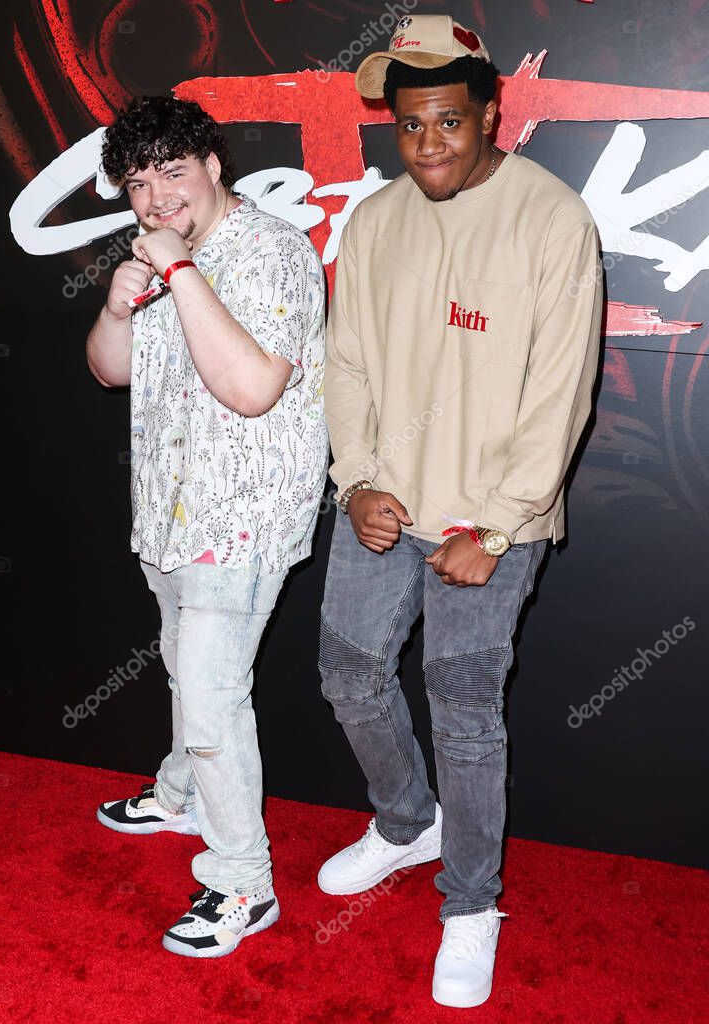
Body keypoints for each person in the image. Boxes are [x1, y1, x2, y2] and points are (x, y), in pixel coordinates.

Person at [317, 14, 602, 1008]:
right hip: (386, 501)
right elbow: (344, 363)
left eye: (448, 119)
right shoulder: (374, 222)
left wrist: (501, 519)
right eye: (410, 124)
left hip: (494, 519)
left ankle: (471, 904)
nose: (429, 142)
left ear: (489, 112)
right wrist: (355, 481)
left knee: (463, 701)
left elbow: (561, 389)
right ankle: (406, 820)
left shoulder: (552, 218)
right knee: (347, 670)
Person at [86, 95, 328, 958]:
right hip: (169, 506)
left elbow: (254, 388)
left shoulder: (272, 254)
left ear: (213, 165)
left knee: (214, 700)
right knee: (183, 667)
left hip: (243, 515)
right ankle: (183, 795)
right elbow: (111, 374)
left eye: (172, 174)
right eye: (137, 183)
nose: (154, 199)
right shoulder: (156, 254)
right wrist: (118, 306)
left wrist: (181, 275)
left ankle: (242, 881)